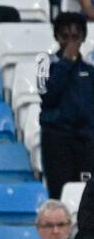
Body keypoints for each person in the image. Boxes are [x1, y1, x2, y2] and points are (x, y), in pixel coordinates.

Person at [39, 14, 94, 197]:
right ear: (56, 36)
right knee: (60, 194)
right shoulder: (44, 66)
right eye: (65, 36)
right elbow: (48, 96)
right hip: (57, 142)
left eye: (75, 37)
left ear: (83, 38)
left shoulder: (90, 70)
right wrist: (66, 62)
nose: (70, 42)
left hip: (85, 142)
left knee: (86, 195)